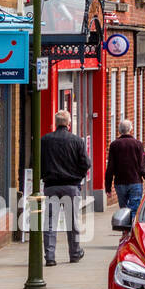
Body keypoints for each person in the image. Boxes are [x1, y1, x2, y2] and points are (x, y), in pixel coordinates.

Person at [40, 110, 91, 266]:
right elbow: (86, 164)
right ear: (69, 124)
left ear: (56, 123)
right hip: (71, 186)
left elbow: (35, 162)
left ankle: (50, 256)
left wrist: (44, 175)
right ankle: (74, 253)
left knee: (50, 223)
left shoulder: (45, 140)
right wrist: (78, 175)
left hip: (51, 186)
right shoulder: (76, 141)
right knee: (73, 222)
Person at [105, 119, 145, 213]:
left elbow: (110, 167)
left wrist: (108, 187)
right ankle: (132, 226)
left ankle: (126, 227)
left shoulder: (114, 145)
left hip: (120, 183)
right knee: (135, 210)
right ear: (131, 129)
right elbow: (143, 167)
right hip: (135, 182)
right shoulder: (137, 144)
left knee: (124, 211)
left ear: (119, 131)